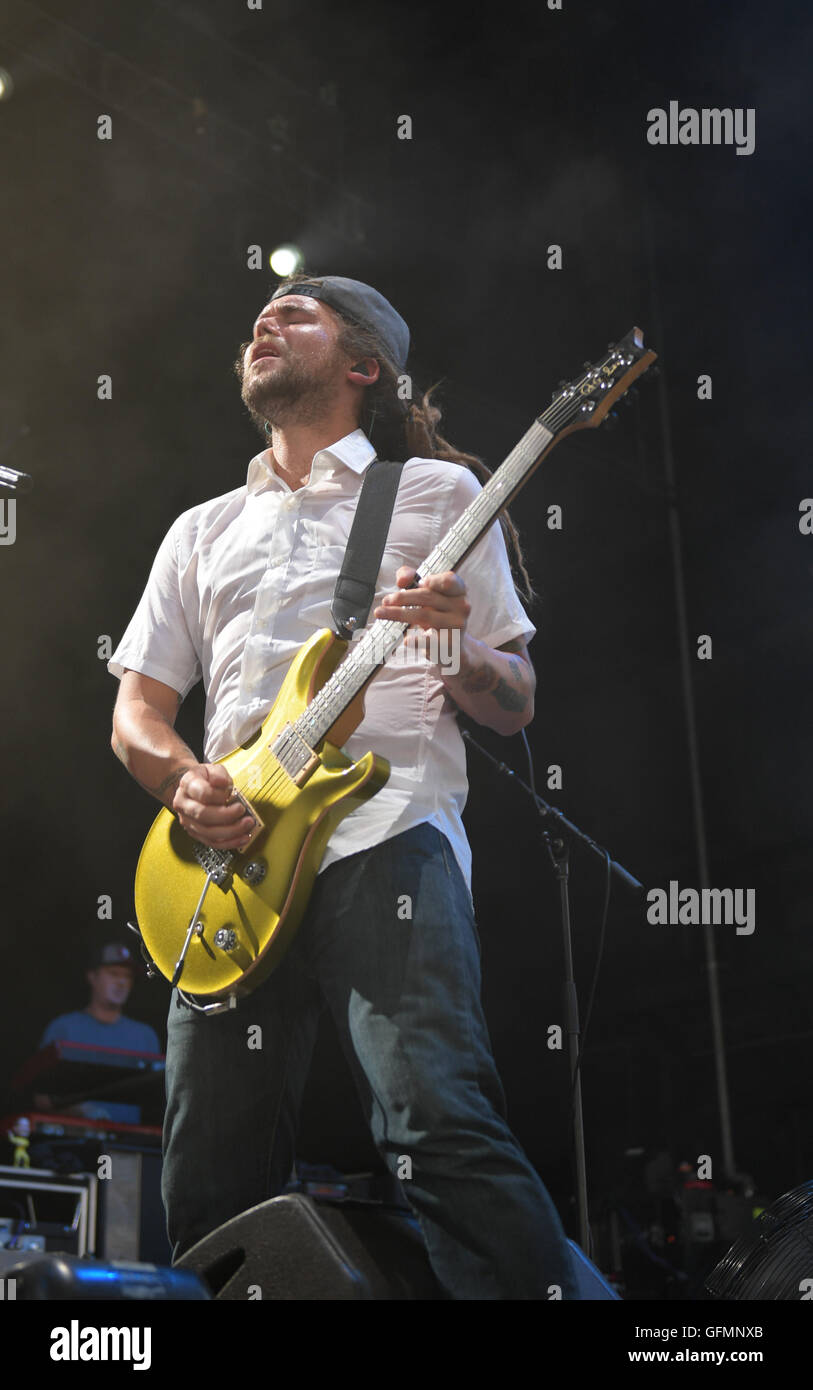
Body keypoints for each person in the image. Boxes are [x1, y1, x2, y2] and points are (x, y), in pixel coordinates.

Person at [108, 273, 578, 1298]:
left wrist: (454, 646)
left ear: (364, 365)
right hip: (229, 866)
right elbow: (137, 714)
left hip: (386, 830)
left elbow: (515, 699)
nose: (265, 321)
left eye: (297, 314)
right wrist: (187, 783)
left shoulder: (440, 498)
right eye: (260, 317)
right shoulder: (199, 529)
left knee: (436, 1118)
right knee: (209, 1178)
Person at [38, 940, 161, 1123]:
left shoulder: (145, 1036)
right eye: (113, 974)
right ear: (92, 977)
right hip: (74, 1145)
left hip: (130, 1145)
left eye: (127, 976)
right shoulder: (63, 1028)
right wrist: (79, 1111)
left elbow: (159, 1100)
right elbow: (42, 1097)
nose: (121, 982)